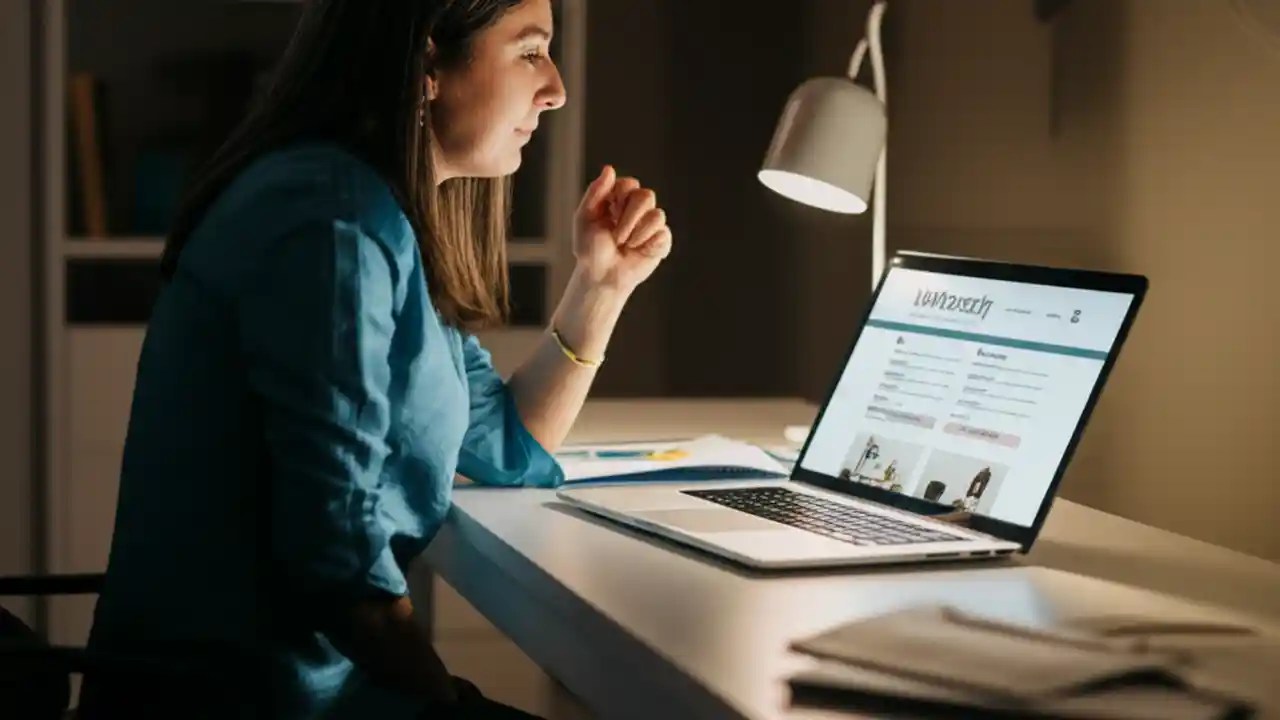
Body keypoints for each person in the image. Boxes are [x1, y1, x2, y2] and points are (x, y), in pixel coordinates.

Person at [77, 1, 672, 718]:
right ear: (427, 64)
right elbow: (342, 574)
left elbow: (509, 444)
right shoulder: (333, 224)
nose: (556, 88)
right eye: (529, 51)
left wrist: (602, 284)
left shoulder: (374, 213)